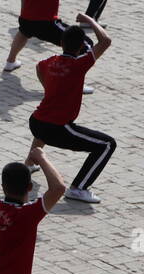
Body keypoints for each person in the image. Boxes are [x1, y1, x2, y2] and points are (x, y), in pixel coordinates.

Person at [26, 16, 116, 204]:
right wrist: (89, 20)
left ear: (61, 43)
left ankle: (29, 163)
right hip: (57, 129)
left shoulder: (49, 62)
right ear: (81, 47)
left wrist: (48, 89)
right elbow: (105, 41)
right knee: (107, 145)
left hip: (35, 122)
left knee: (45, 123)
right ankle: (78, 188)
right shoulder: (79, 65)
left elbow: (38, 67)